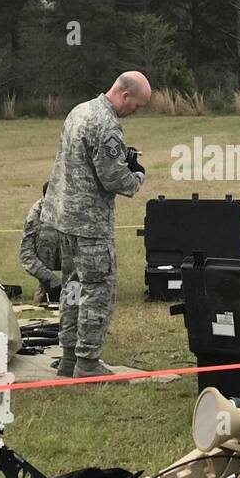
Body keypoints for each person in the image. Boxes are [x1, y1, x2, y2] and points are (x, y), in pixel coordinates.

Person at [42, 72, 152, 377]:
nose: (136, 112)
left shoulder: (79, 111)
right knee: (97, 290)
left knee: (73, 288)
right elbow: (115, 179)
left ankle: (68, 358)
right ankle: (88, 363)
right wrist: (137, 173)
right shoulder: (106, 125)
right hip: (91, 224)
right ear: (125, 95)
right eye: (138, 105)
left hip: (65, 219)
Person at [19, 182, 63, 303]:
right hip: (47, 262)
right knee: (46, 234)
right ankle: (47, 290)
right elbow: (26, 255)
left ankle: (72, 287)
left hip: (71, 261)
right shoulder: (36, 214)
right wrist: (50, 278)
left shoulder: (73, 207)